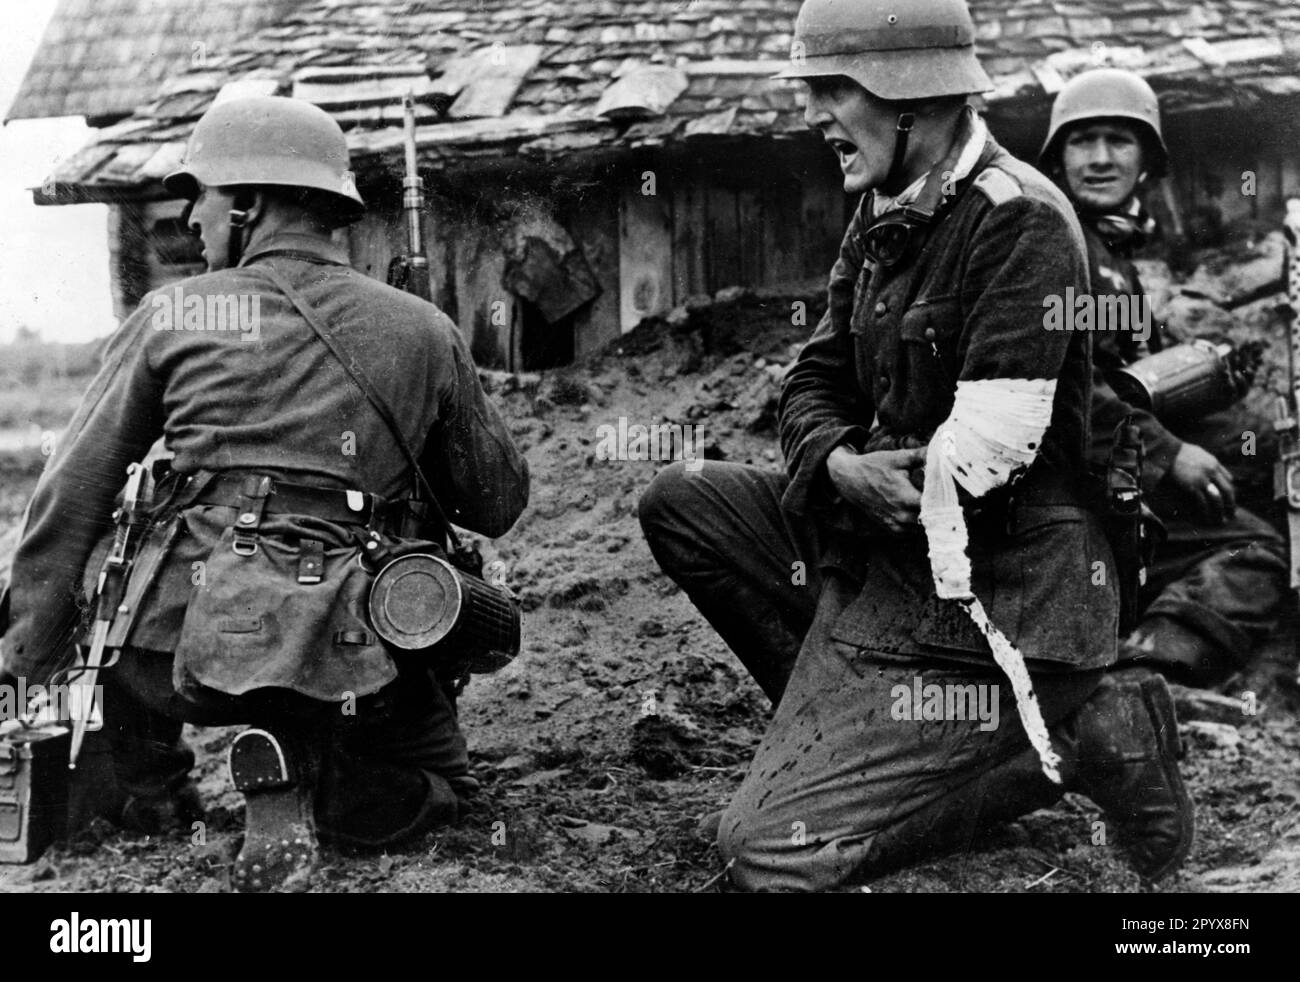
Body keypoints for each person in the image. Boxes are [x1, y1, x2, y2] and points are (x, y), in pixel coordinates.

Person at [639, 0, 1192, 891]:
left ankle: (1067, 735)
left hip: (998, 595)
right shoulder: (887, 209)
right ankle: (857, 750)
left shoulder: (1022, 219)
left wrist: (867, 475)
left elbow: (985, 458)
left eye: (831, 88)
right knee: (684, 500)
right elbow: (811, 381)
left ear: (908, 101)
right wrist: (838, 464)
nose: (815, 113)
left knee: (766, 853)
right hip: (889, 541)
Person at [0, 96, 528, 891]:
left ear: (246, 203)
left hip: (177, 654)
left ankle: (152, 794)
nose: (190, 217)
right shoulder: (421, 328)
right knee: (447, 788)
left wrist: (25, 663)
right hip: (352, 651)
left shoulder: (173, 312)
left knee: (107, 551)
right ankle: (333, 782)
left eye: (200, 194)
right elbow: (494, 503)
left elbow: (71, 492)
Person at [1040, 68, 1289, 688]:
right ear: (1057, 156)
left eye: (1119, 141)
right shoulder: (1051, 241)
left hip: (1106, 463)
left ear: (1147, 159)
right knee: (1255, 553)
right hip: (1068, 484)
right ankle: (1152, 672)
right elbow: (1058, 385)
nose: (1100, 158)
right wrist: (1171, 454)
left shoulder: (1110, 250)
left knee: (1263, 469)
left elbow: (1119, 372)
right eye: (1082, 140)